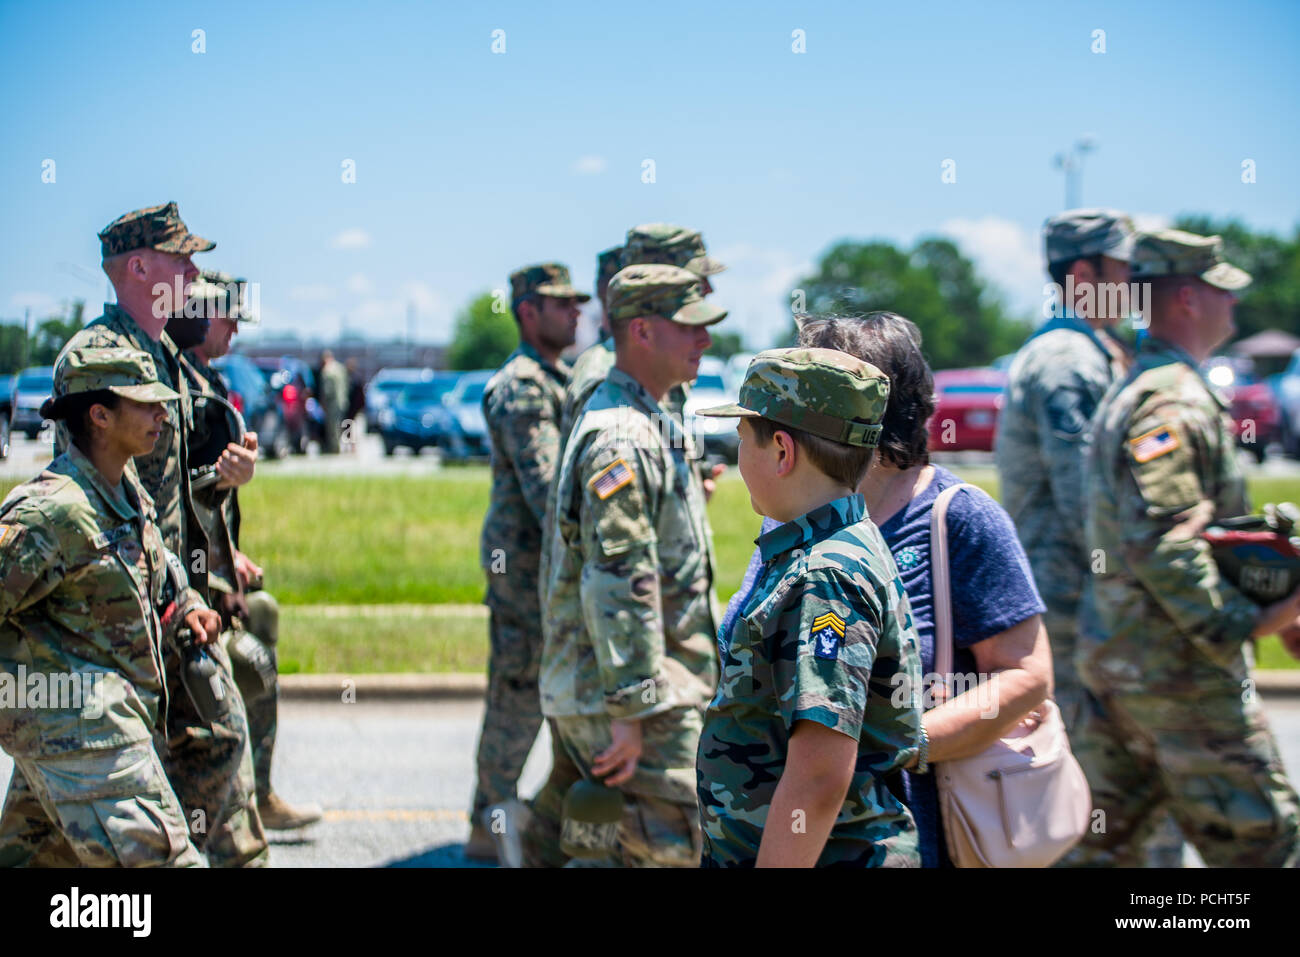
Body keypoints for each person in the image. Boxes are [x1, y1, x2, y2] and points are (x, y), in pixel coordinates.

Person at [1068, 228, 1300, 867]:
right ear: (1190, 299)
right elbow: (1165, 541)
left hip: (1126, 662)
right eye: (1224, 293)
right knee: (1265, 848)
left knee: (1107, 854)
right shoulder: (1168, 398)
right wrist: (1241, 624)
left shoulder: (1145, 385)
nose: (1235, 306)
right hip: (1178, 675)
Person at [796, 314, 1053, 867]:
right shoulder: (794, 513)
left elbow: (1027, 676)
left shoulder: (961, 519)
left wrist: (900, 745)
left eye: (806, 390)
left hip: (912, 840)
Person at [53, 203, 266, 867]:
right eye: (182, 257)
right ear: (141, 267)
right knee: (191, 747)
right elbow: (94, 499)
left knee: (215, 738)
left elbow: (166, 493)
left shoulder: (166, 356)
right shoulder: (96, 358)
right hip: (116, 615)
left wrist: (224, 482)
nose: (194, 270)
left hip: (171, 601)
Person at [695, 347, 925, 867]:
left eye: (740, 439)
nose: (737, 457)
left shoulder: (825, 575)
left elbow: (819, 774)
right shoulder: (825, 548)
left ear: (781, 450)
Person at [0, 347, 221, 866]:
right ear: (99, 415)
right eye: (144, 404)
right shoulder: (51, 512)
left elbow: (155, 559)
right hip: (82, 731)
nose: (161, 414)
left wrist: (185, 602)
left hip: (88, 727)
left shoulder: (124, 487)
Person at [537, 263, 726, 867]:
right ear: (641, 331)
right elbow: (619, 584)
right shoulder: (623, 435)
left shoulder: (651, 417)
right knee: (670, 849)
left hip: (631, 687)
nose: (706, 339)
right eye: (689, 325)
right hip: (635, 695)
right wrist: (635, 709)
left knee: (608, 851)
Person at [178, 271, 322, 831]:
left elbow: (209, 503)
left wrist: (229, 554)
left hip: (208, 567)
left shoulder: (207, 381)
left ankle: (259, 793)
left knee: (264, 612)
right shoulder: (175, 385)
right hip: (179, 581)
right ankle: (231, 814)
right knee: (249, 664)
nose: (235, 328)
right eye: (225, 317)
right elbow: (166, 495)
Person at [996, 208, 1135, 734]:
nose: (1133, 284)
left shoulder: (1088, 350)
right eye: (1123, 269)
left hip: (1080, 592)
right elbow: (1087, 499)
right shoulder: (1065, 361)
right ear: (1084, 276)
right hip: (1073, 600)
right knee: (1084, 765)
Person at [468, 262, 587, 864]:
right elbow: (547, 489)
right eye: (560, 304)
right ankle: (487, 823)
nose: (575, 313)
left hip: (548, 565)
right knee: (517, 694)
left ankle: (525, 819)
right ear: (527, 312)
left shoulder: (557, 377)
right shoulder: (521, 385)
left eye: (576, 303)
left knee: (548, 691)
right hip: (521, 567)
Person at [318, 350, 349, 454]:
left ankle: (334, 448)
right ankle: (340, 446)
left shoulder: (327, 370)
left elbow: (328, 391)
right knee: (340, 425)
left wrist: (323, 402)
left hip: (332, 403)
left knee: (333, 426)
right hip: (342, 401)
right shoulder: (340, 368)